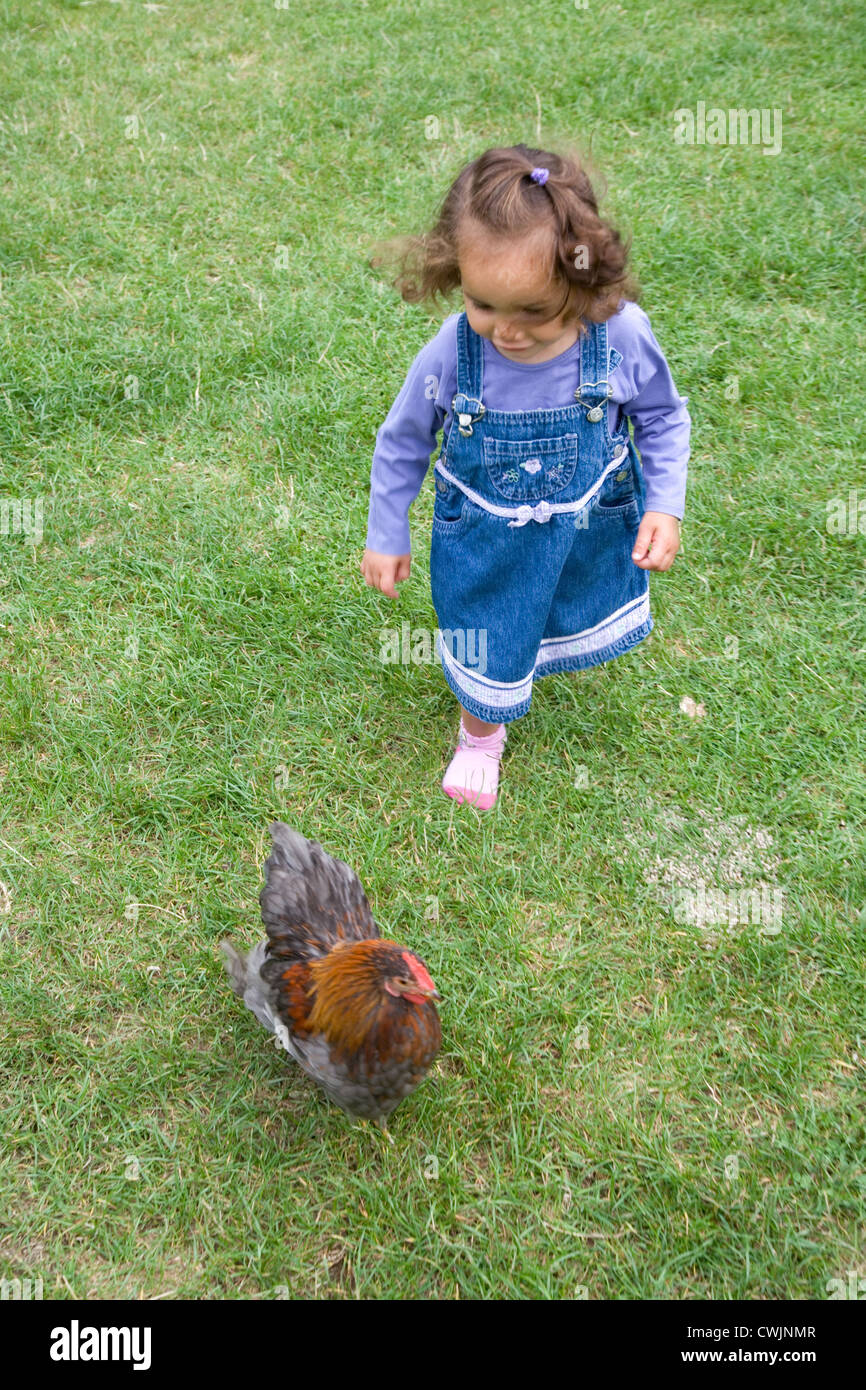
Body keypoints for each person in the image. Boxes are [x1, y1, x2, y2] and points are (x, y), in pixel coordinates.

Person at [361, 143, 690, 810]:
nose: (504, 332)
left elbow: (660, 418)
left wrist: (666, 503)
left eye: (533, 312)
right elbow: (402, 442)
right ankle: (481, 736)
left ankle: (531, 663)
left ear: (585, 280)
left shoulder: (620, 336)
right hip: (488, 542)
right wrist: (386, 527)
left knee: (557, 614)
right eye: (483, 305)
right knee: (493, 636)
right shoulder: (452, 354)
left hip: (584, 530)